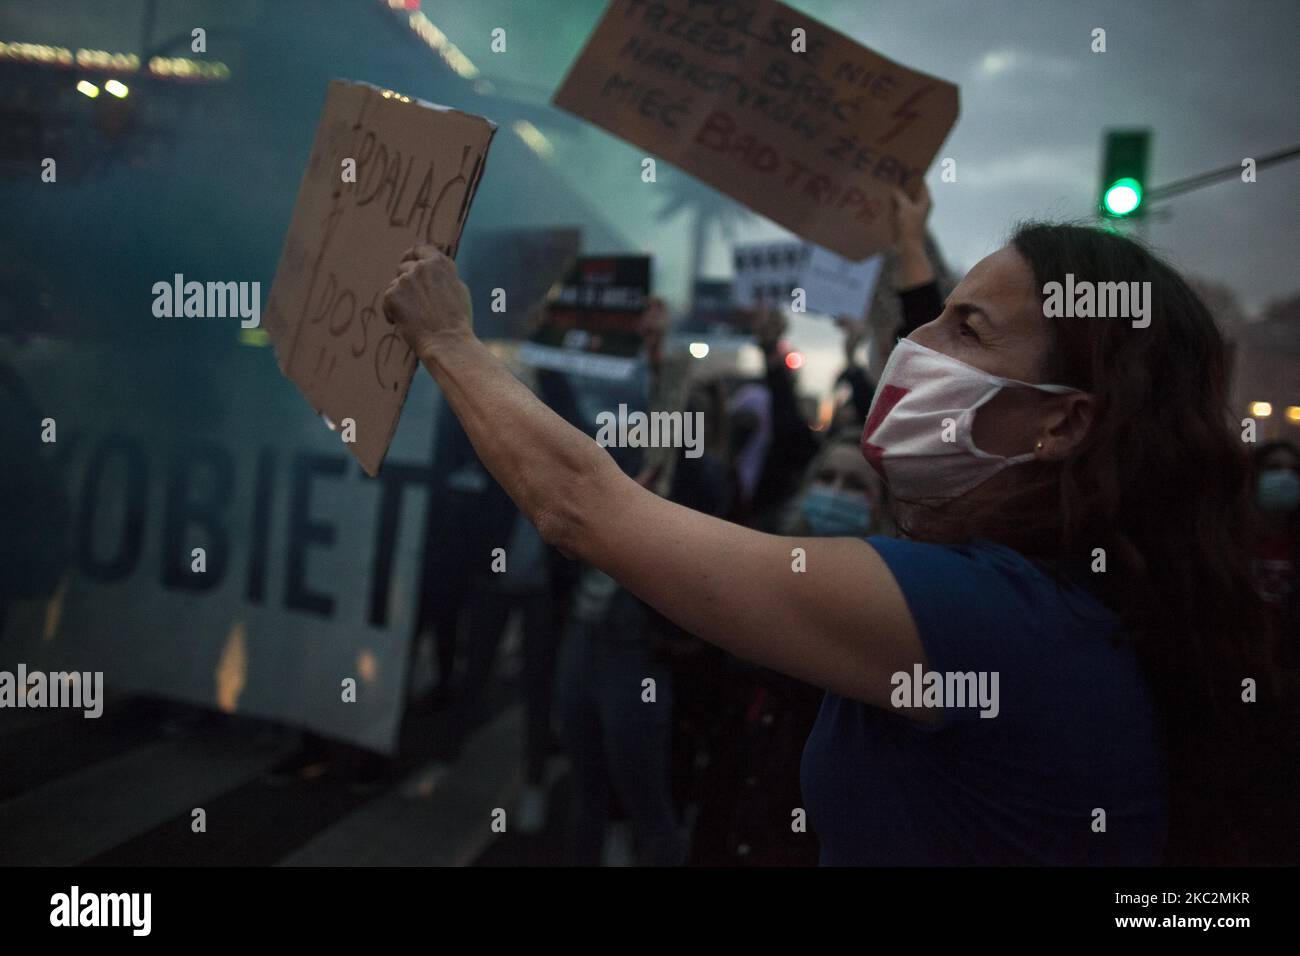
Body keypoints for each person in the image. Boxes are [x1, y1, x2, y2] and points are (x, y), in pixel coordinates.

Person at [380, 215, 1282, 864]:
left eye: (963, 327)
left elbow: (581, 503)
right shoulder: (1058, 603)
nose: (913, 344)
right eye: (931, 316)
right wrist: (911, 249)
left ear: (1063, 426)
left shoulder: (986, 619)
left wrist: (448, 339)